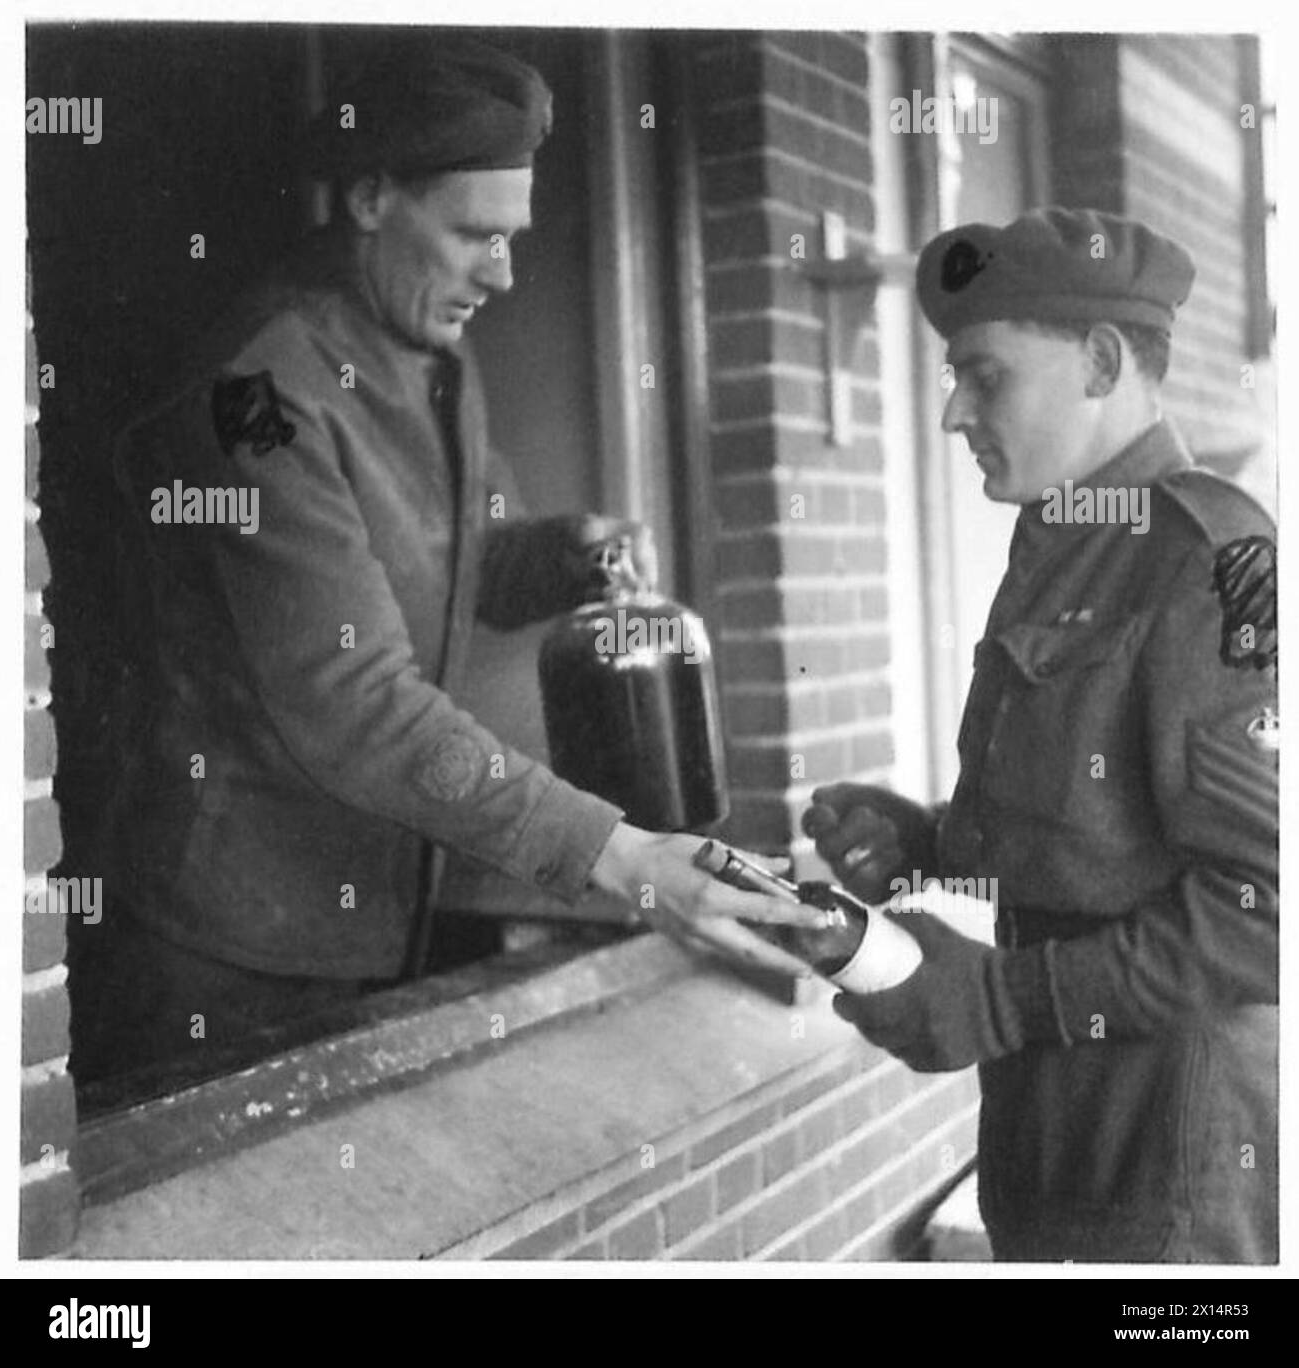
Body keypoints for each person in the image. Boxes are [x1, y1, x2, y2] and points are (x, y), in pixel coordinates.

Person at [71, 38, 817, 1084]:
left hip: (367, 907)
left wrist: (563, 556)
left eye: (511, 237)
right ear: (373, 195)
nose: (504, 274)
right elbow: (351, 693)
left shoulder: (430, 354)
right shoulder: (258, 389)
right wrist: (623, 856)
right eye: (475, 234)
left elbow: (450, 572)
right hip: (223, 943)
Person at [806, 207, 1277, 1262]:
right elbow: (1097, 841)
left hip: (1172, 1183)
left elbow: (1266, 908)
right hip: (1053, 1155)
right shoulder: (1066, 542)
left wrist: (1002, 1000)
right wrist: (927, 839)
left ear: (1102, 362)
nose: (952, 416)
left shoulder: (1209, 555)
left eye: (985, 377)